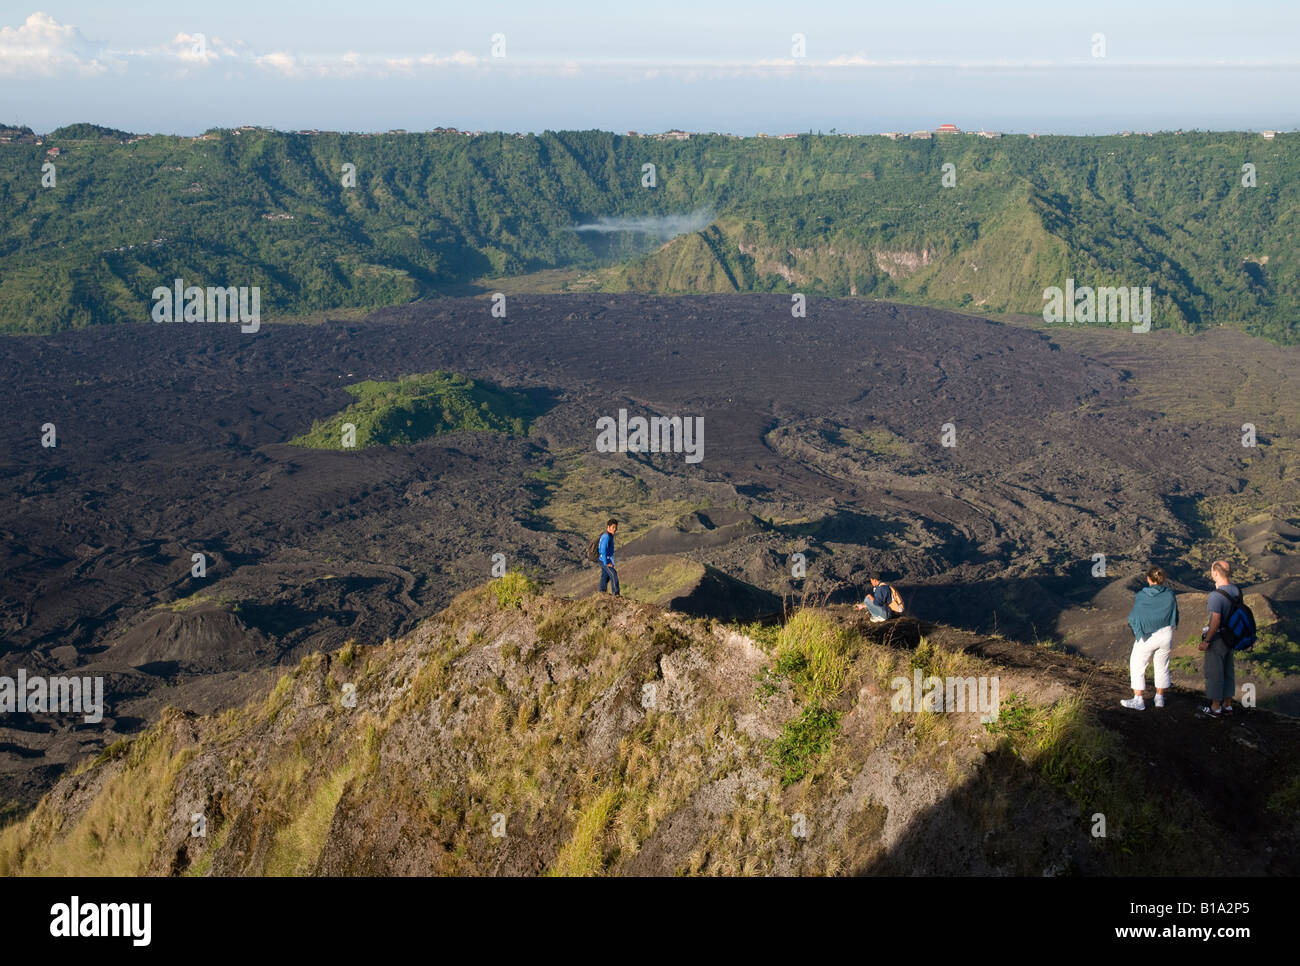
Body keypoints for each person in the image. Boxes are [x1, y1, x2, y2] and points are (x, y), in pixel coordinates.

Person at [1121, 565, 1179, 710]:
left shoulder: (1142, 595)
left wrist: (1138, 629)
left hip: (1148, 636)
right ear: (1162, 579)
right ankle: (1159, 698)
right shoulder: (1170, 594)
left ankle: (1138, 699)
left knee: (1137, 664)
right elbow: (1174, 613)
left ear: (1148, 579)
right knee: (1162, 665)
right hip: (1166, 634)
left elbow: (1135, 616)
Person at [1199, 560, 1239, 718]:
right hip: (1232, 637)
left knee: (1214, 672)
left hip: (1218, 638)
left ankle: (1215, 708)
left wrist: (1206, 641)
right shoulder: (1236, 590)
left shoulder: (1216, 596)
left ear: (1215, 572)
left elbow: (1215, 621)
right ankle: (1227, 705)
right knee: (1228, 671)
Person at [597, 519, 619, 596]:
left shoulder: (609, 536)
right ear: (608, 527)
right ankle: (616, 594)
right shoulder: (606, 536)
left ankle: (602, 593)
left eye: (616, 527)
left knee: (605, 576)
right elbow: (603, 551)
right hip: (604, 560)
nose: (615, 529)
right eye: (613, 527)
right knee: (613, 574)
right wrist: (607, 563)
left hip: (604, 559)